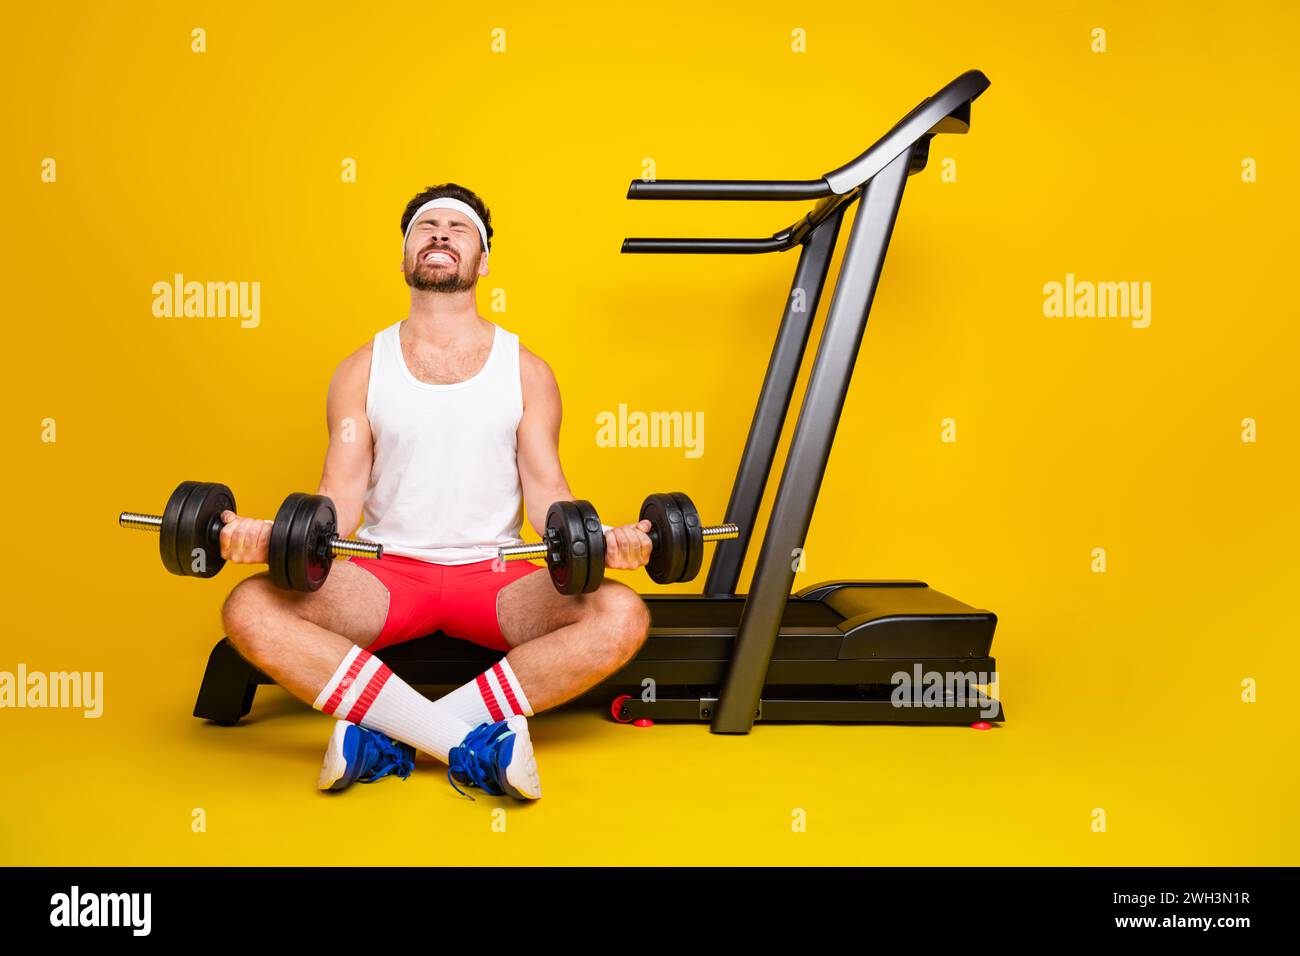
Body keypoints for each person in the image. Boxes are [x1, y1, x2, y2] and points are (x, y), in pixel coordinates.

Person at [218, 184, 653, 800]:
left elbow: (550, 495)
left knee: (621, 615)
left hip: (498, 575)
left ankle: (389, 735)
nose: (442, 234)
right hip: (384, 574)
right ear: (405, 258)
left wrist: (607, 542)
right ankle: (464, 742)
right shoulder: (362, 367)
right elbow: (336, 501)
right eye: (427, 227)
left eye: (459, 227)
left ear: (483, 259)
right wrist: (266, 539)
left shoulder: (526, 370)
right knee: (248, 607)